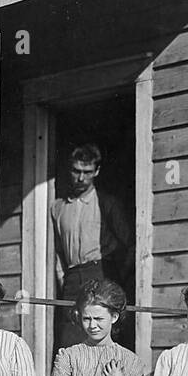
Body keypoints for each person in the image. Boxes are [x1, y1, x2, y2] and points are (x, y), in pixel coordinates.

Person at [51, 143, 133, 349]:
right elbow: (58, 251)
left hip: (100, 273)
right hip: (71, 279)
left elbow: (128, 244)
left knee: (101, 337)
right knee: (70, 339)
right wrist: (63, 277)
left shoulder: (106, 203)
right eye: (76, 171)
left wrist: (116, 281)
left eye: (87, 172)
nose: (81, 178)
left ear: (96, 171)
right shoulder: (58, 208)